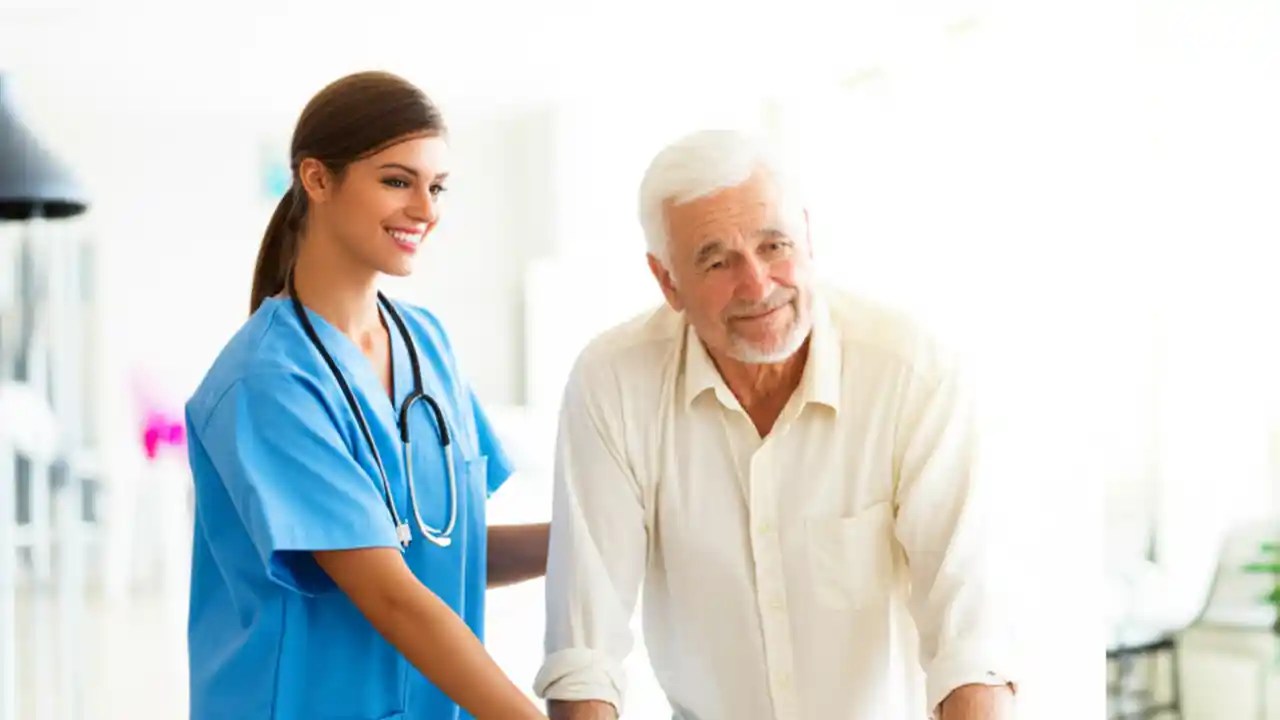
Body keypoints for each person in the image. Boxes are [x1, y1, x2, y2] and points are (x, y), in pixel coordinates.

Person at [535, 129, 1018, 719]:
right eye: (717, 261)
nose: (758, 286)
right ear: (667, 282)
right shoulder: (613, 382)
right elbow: (585, 650)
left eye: (774, 246)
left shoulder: (912, 372)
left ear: (808, 239)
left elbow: (970, 641)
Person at [184, 71, 549, 720]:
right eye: (397, 181)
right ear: (317, 179)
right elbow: (389, 595)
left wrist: (598, 541)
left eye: (437, 187)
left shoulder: (427, 343)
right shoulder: (267, 381)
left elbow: (446, 554)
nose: (427, 210)